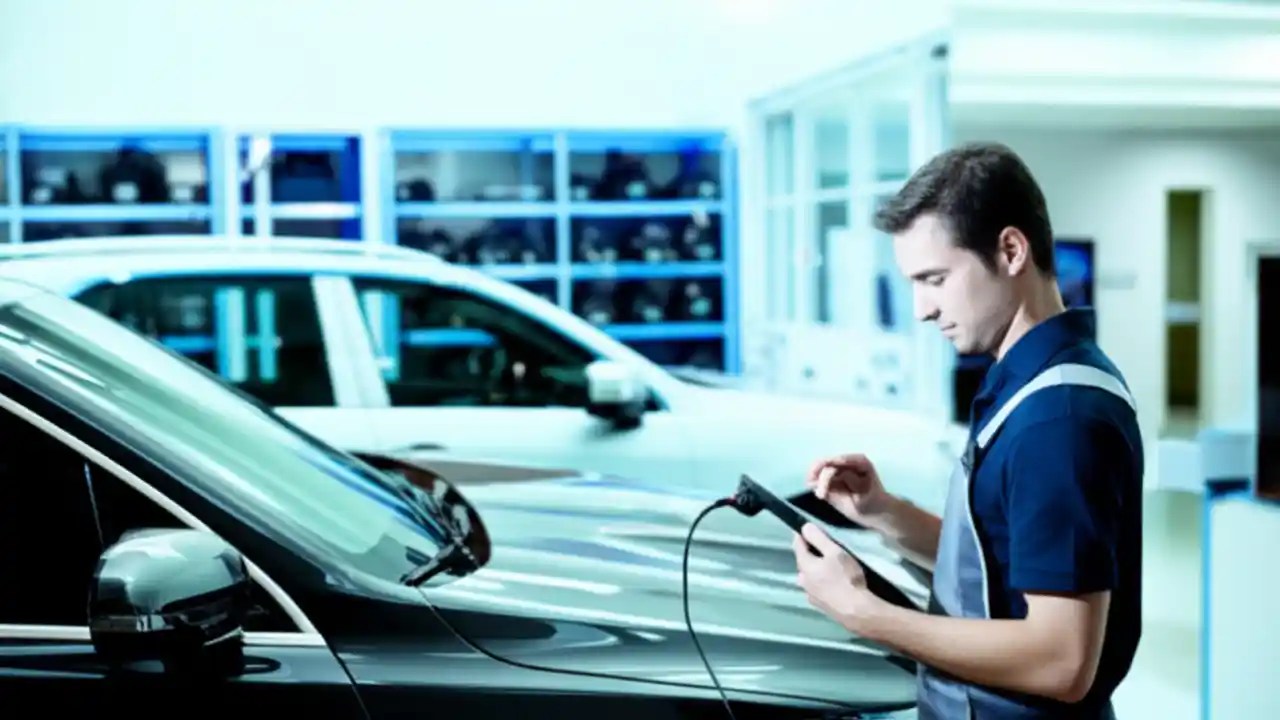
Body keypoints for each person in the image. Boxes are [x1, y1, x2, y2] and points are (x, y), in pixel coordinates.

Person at [792, 141, 1143, 719]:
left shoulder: (1060, 418)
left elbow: (1062, 660)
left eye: (934, 278)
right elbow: (1002, 565)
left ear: (1010, 250)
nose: (921, 309)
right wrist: (884, 513)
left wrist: (864, 614)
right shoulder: (1022, 384)